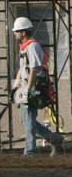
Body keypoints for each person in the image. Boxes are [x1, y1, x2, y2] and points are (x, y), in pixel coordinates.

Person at [12, 16, 64, 156]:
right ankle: (55, 139)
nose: (15, 34)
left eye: (17, 31)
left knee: (28, 119)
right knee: (26, 120)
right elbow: (22, 69)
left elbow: (34, 69)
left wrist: (28, 90)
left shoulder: (32, 46)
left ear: (23, 32)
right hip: (24, 88)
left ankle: (30, 152)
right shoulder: (24, 48)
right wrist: (15, 86)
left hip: (32, 88)